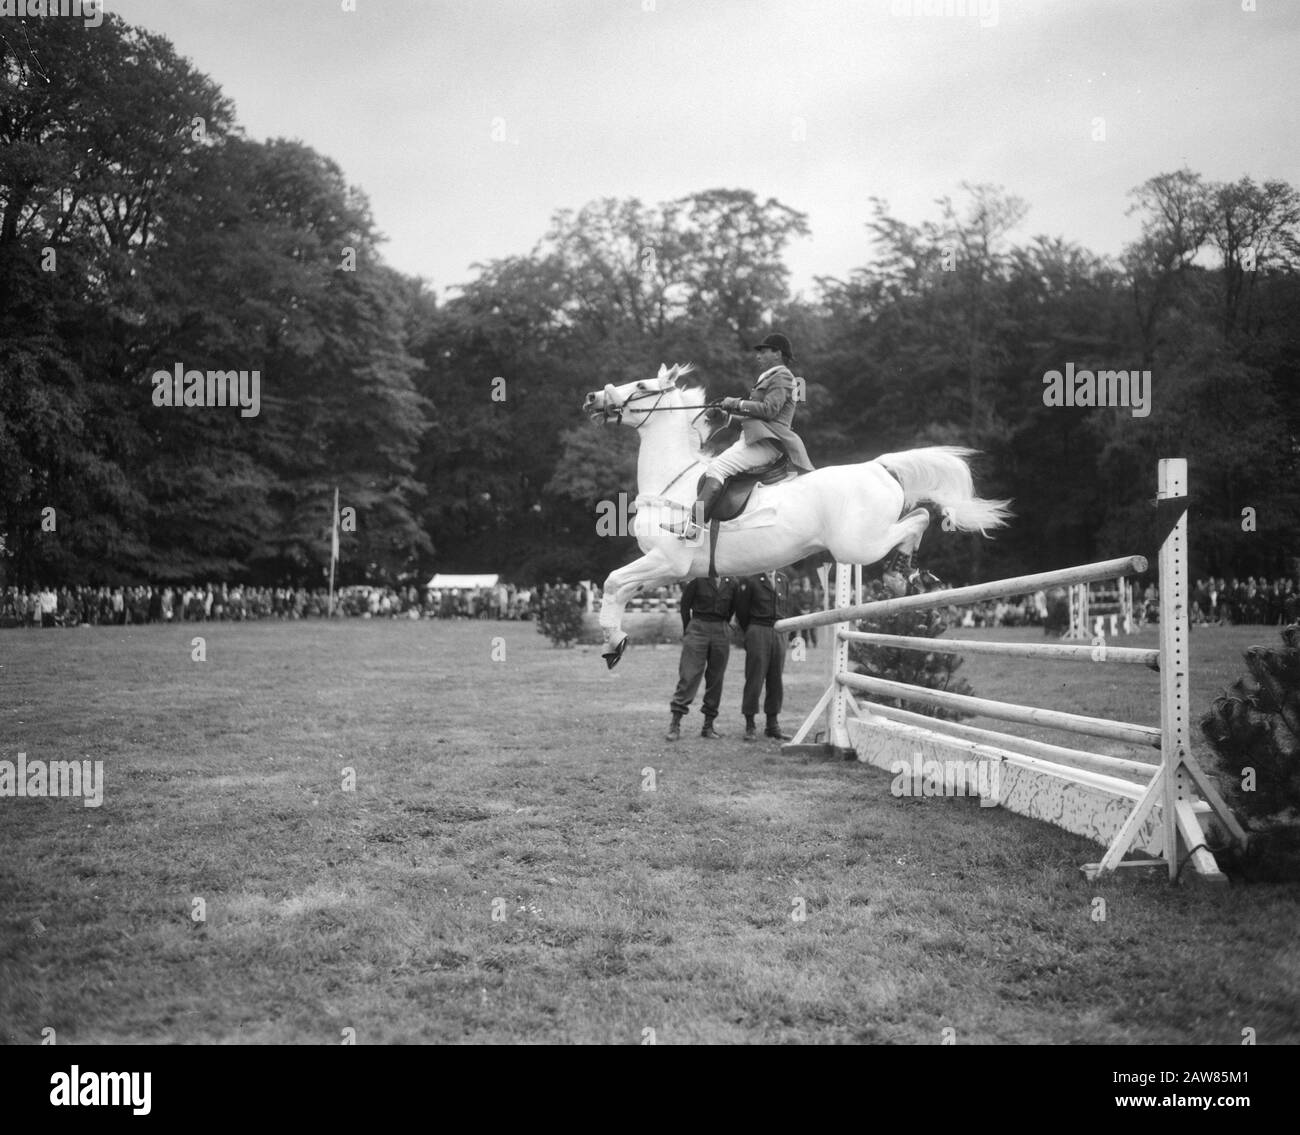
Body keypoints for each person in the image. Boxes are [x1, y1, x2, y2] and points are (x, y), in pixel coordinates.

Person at [662, 332, 814, 539]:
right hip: (756, 440)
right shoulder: (770, 377)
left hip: (767, 444)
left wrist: (737, 403)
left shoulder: (783, 376)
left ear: (777, 354)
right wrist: (725, 416)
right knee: (717, 468)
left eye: (763, 351)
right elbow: (758, 422)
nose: (758, 356)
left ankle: (693, 525)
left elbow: (769, 410)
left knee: (716, 468)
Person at [666, 575, 739, 741]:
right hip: (698, 626)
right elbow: (685, 606)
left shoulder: (732, 582)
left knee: (716, 678)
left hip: (720, 630)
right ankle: (675, 724)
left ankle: (708, 726)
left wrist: (724, 627)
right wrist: (689, 630)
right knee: (689, 675)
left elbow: (733, 609)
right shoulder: (698, 579)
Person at [734, 569, 793, 741]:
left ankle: (772, 724)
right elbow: (742, 612)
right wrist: (751, 632)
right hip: (758, 629)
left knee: (776, 679)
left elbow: (786, 606)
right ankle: (750, 724)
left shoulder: (783, 579)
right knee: (755, 678)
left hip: (779, 631)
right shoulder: (750, 580)